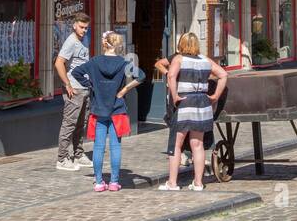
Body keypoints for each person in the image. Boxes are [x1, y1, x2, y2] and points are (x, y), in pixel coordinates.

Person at [72, 32, 144, 192]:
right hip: (117, 109)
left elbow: (75, 72)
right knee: (115, 146)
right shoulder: (123, 62)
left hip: (98, 109)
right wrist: (124, 90)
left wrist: (90, 84)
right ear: (117, 45)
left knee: (98, 146)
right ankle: (114, 182)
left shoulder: (94, 62)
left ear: (104, 44)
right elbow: (141, 76)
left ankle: (98, 181)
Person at [160, 33, 227, 191]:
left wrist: (175, 95)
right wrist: (215, 96)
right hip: (202, 103)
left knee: (176, 145)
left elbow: (171, 75)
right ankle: (198, 183)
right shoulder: (206, 60)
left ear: (181, 44)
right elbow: (223, 74)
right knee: (198, 145)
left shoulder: (179, 59)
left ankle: (172, 183)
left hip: (185, 102)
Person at [54, 13, 92, 171]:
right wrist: (67, 85)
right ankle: (62, 159)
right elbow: (59, 63)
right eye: (82, 27)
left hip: (84, 87)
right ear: (74, 25)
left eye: (86, 28)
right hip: (74, 88)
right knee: (69, 124)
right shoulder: (71, 42)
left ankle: (78, 153)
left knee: (81, 123)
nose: (84, 31)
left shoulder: (85, 39)